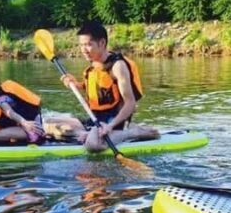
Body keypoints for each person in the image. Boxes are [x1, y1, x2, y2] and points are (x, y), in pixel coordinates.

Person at [46, 20, 159, 152]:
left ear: (102, 43)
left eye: (88, 45)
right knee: (49, 124)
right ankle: (87, 133)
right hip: (97, 119)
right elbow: (101, 89)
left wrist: (110, 126)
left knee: (92, 146)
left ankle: (133, 132)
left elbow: (130, 104)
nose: (84, 50)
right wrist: (76, 84)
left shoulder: (118, 67)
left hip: (116, 121)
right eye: (81, 45)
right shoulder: (95, 63)